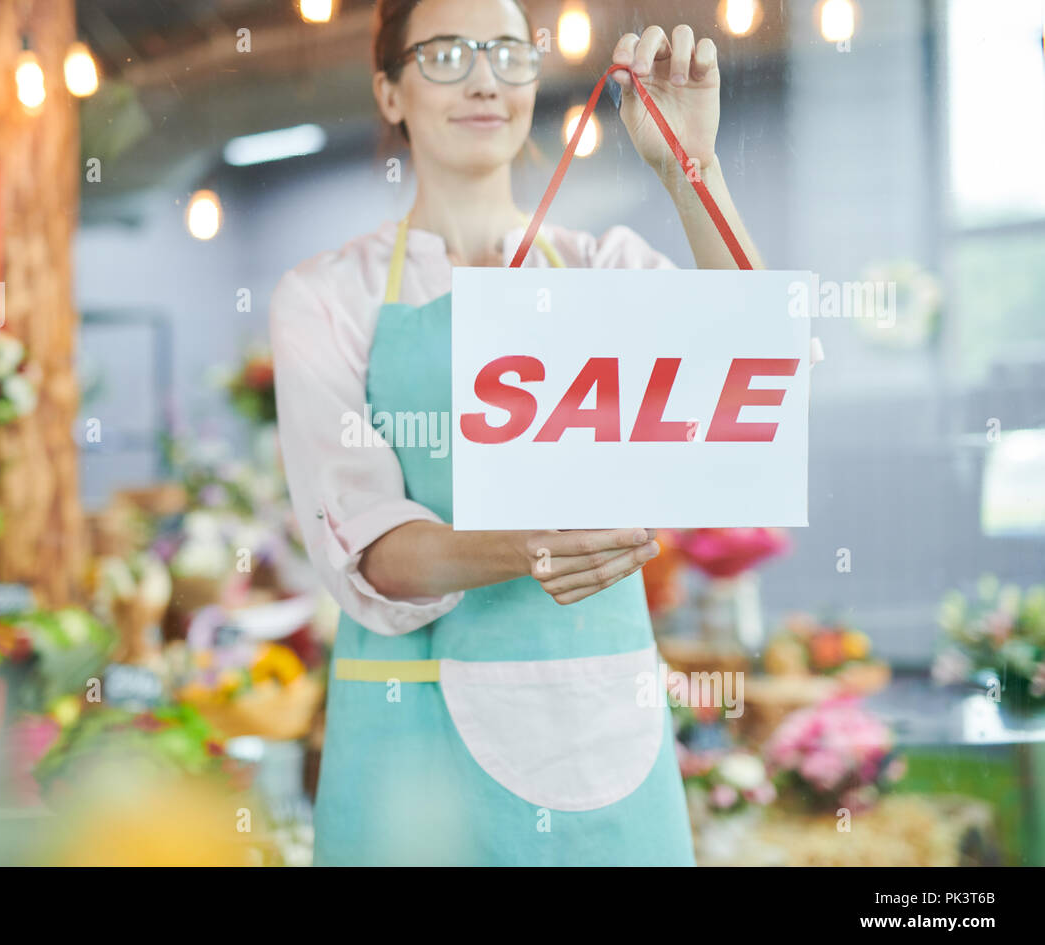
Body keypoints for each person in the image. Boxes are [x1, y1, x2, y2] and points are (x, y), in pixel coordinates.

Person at [270, 0, 768, 865]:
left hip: (601, 721)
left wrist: (693, 168)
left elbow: (759, 369)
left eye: (508, 51)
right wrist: (518, 548)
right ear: (389, 92)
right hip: (411, 737)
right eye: (448, 54)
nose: (484, 78)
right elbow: (365, 542)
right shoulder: (327, 296)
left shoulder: (600, 268)